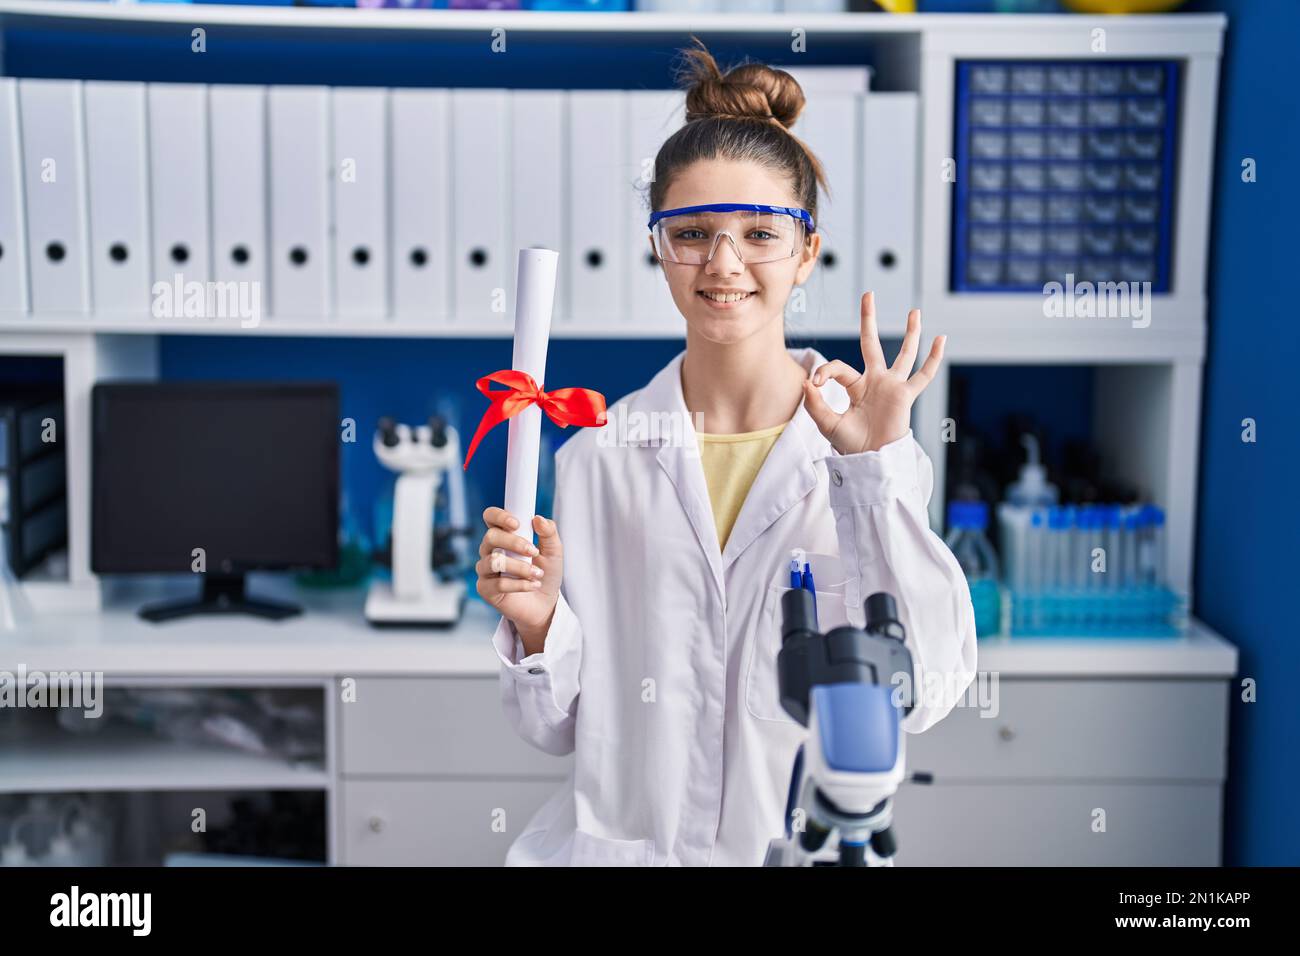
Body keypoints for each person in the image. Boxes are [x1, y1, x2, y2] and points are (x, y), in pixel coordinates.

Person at [474, 39, 977, 866]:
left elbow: (925, 691)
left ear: (807, 249)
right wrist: (536, 629)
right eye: (693, 232)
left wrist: (872, 470)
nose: (724, 262)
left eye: (759, 232)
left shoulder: (864, 454)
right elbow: (554, 729)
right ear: (657, 246)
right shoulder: (599, 456)